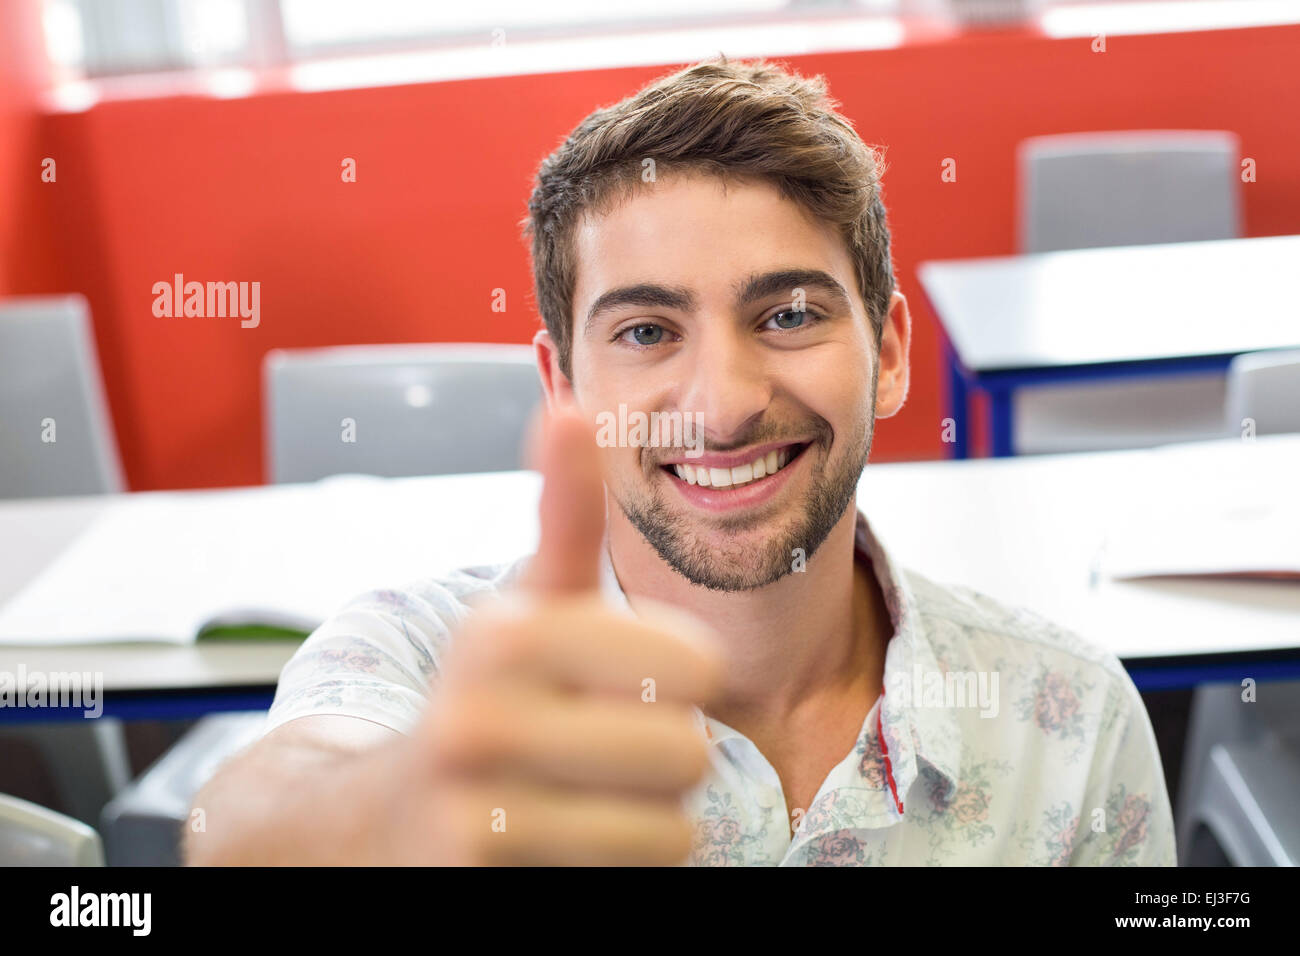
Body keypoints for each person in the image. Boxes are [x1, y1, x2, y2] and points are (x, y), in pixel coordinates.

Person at [186, 57, 1175, 866]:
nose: (724, 401)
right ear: (562, 383)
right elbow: (264, 808)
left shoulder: (1075, 719)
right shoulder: (421, 662)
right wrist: (383, 811)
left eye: (788, 314)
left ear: (887, 353)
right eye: (648, 330)